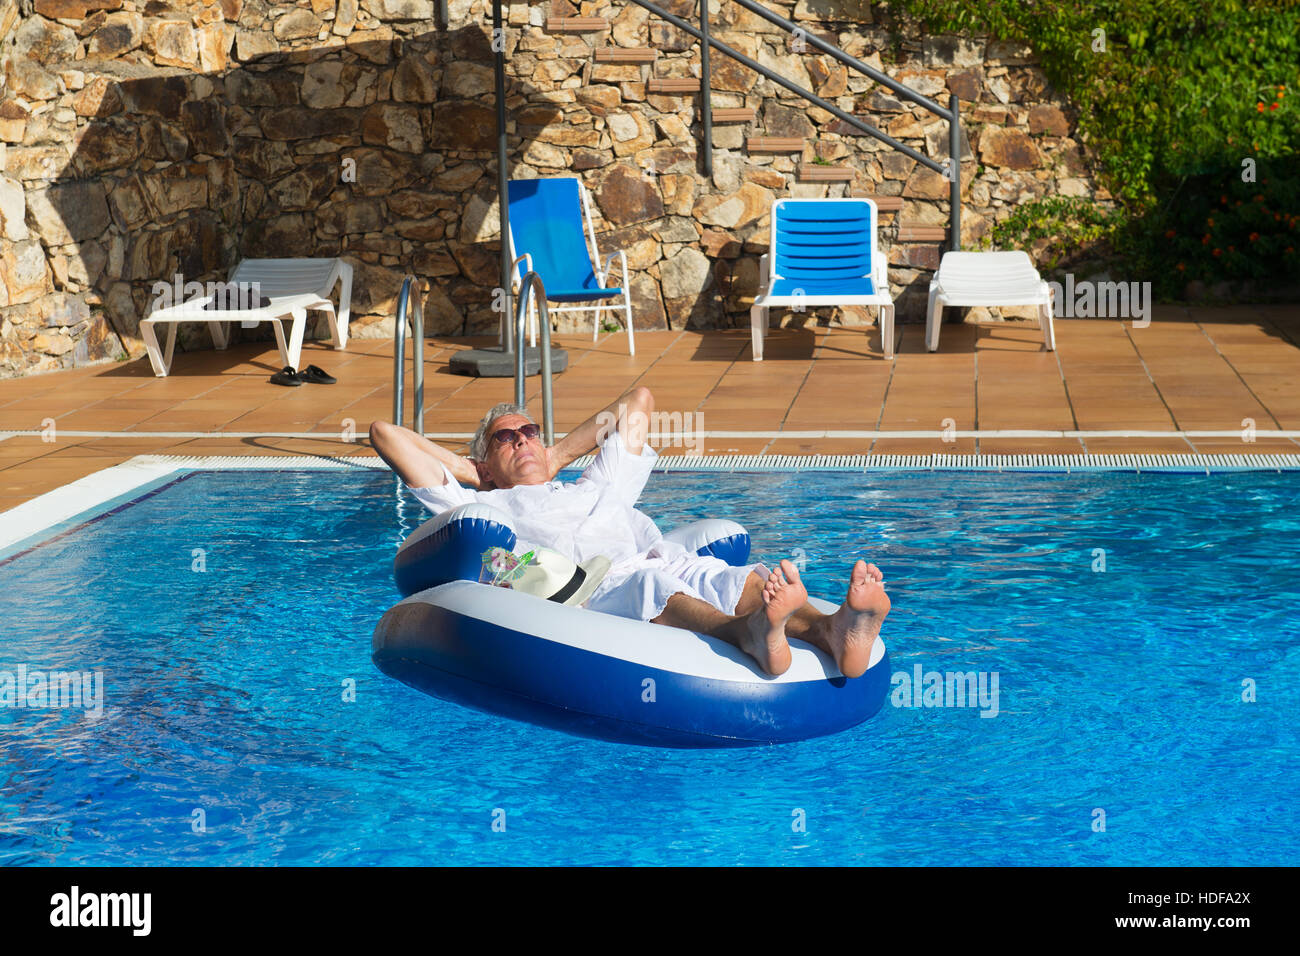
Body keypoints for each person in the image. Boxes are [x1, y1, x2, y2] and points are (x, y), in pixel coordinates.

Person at [369, 387, 890, 678]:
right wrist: (471, 471)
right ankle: (748, 633)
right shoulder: (484, 502)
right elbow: (386, 436)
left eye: (532, 432)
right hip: (598, 585)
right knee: (654, 588)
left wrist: (558, 456)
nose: (524, 440)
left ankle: (830, 630)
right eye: (507, 438)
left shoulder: (596, 484)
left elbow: (637, 403)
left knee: (734, 578)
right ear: (486, 460)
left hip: (659, 558)